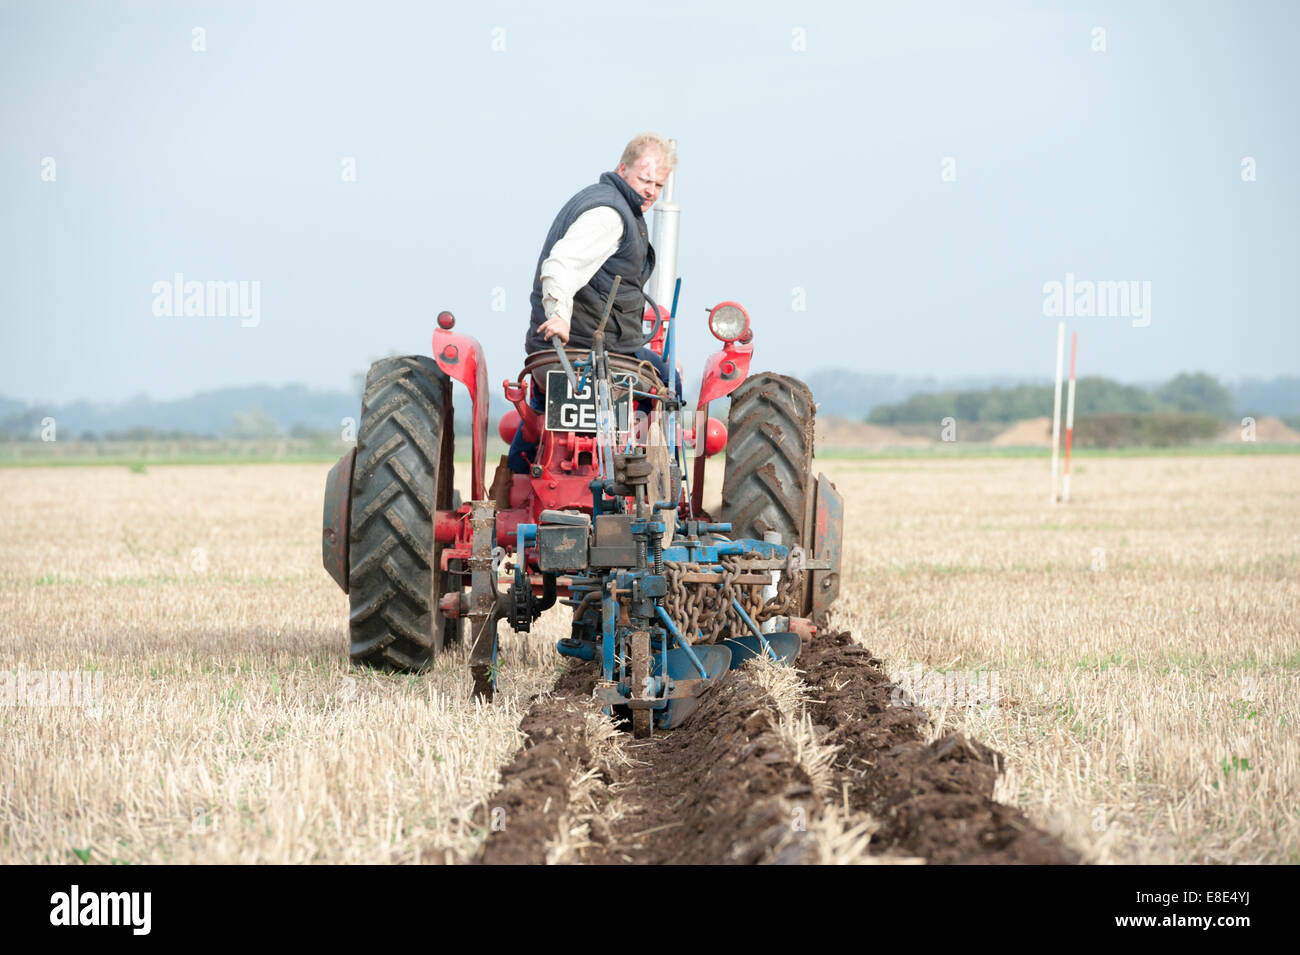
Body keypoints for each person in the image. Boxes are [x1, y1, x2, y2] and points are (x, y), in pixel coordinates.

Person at [509, 133, 677, 473]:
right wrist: (559, 316)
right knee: (667, 379)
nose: (650, 191)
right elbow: (560, 266)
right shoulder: (610, 215)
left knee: (542, 406)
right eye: (645, 180)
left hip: (551, 354)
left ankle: (516, 475)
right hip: (592, 354)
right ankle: (654, 474)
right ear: (623, 168)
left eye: (658, 185)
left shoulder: (601, 200)